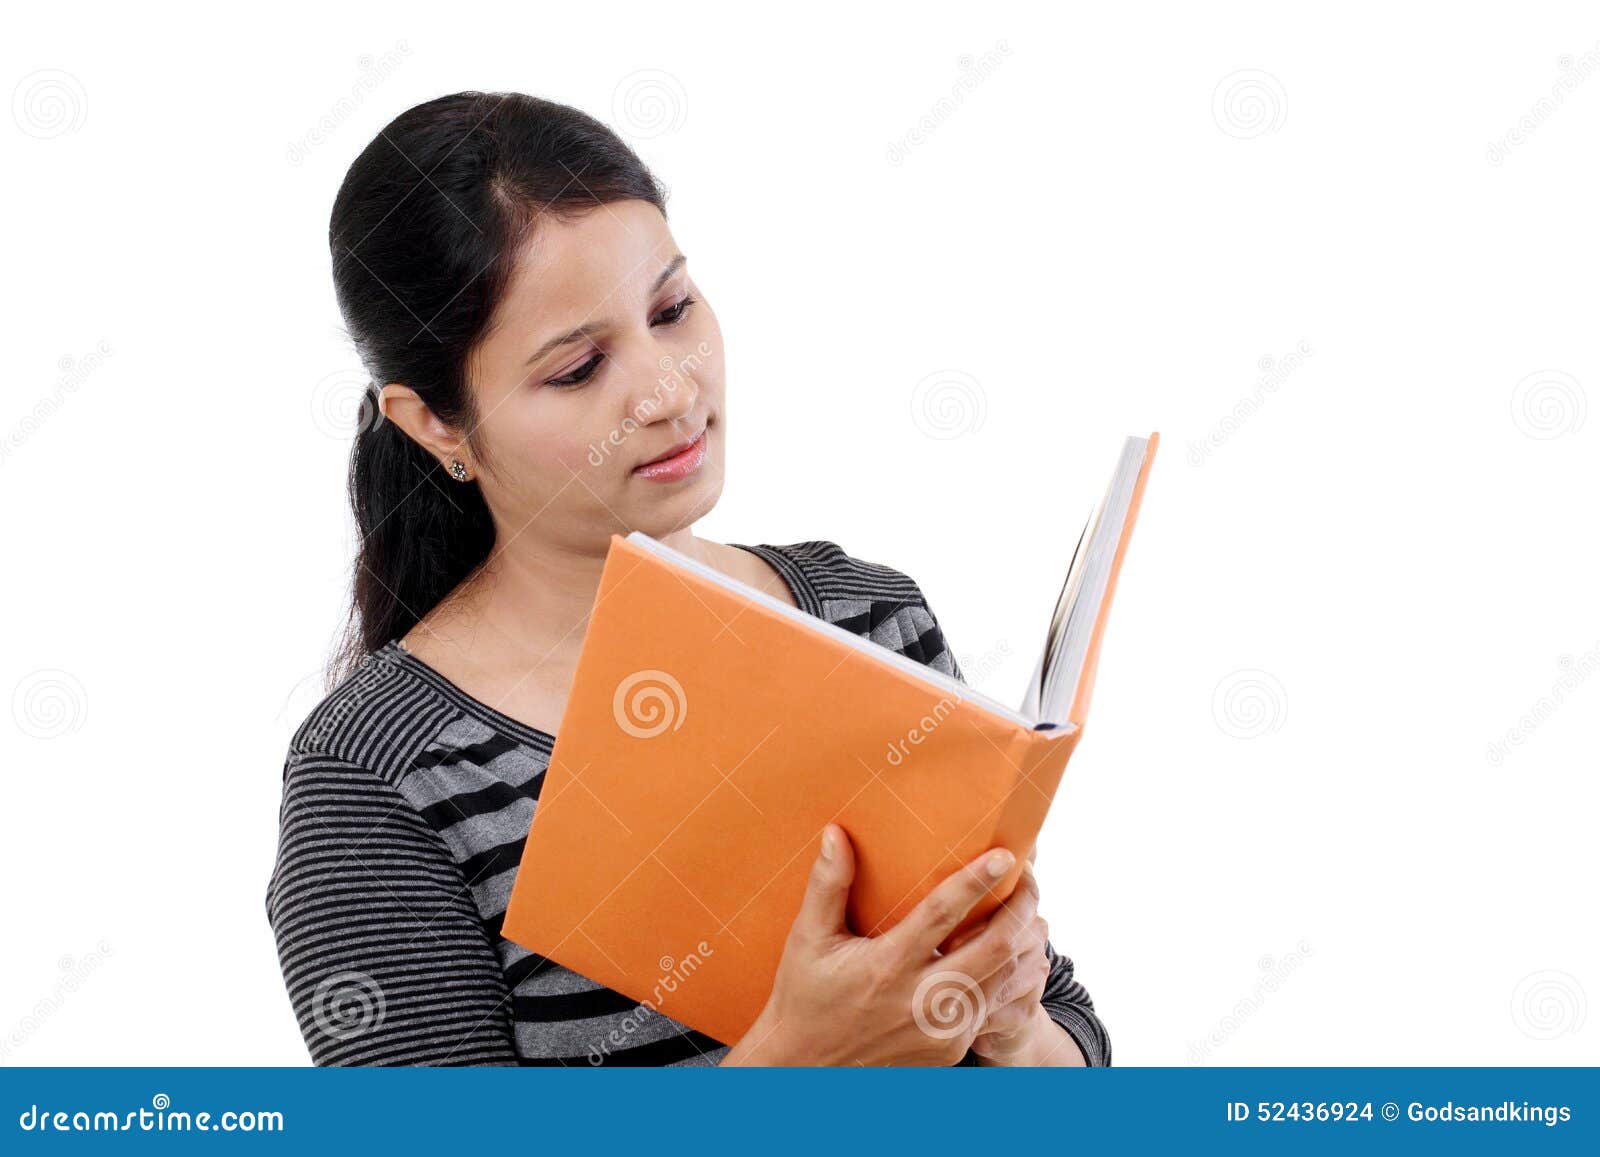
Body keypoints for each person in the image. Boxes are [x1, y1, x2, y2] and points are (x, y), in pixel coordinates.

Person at [266, 91, 1110, 1067]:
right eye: (579, 369)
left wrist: (1013, 1028)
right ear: (435, 424)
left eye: (671, 309)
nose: (669, 391)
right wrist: (794, 1062)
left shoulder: (869, 618)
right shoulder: (377, 776)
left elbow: (1069, 1057)